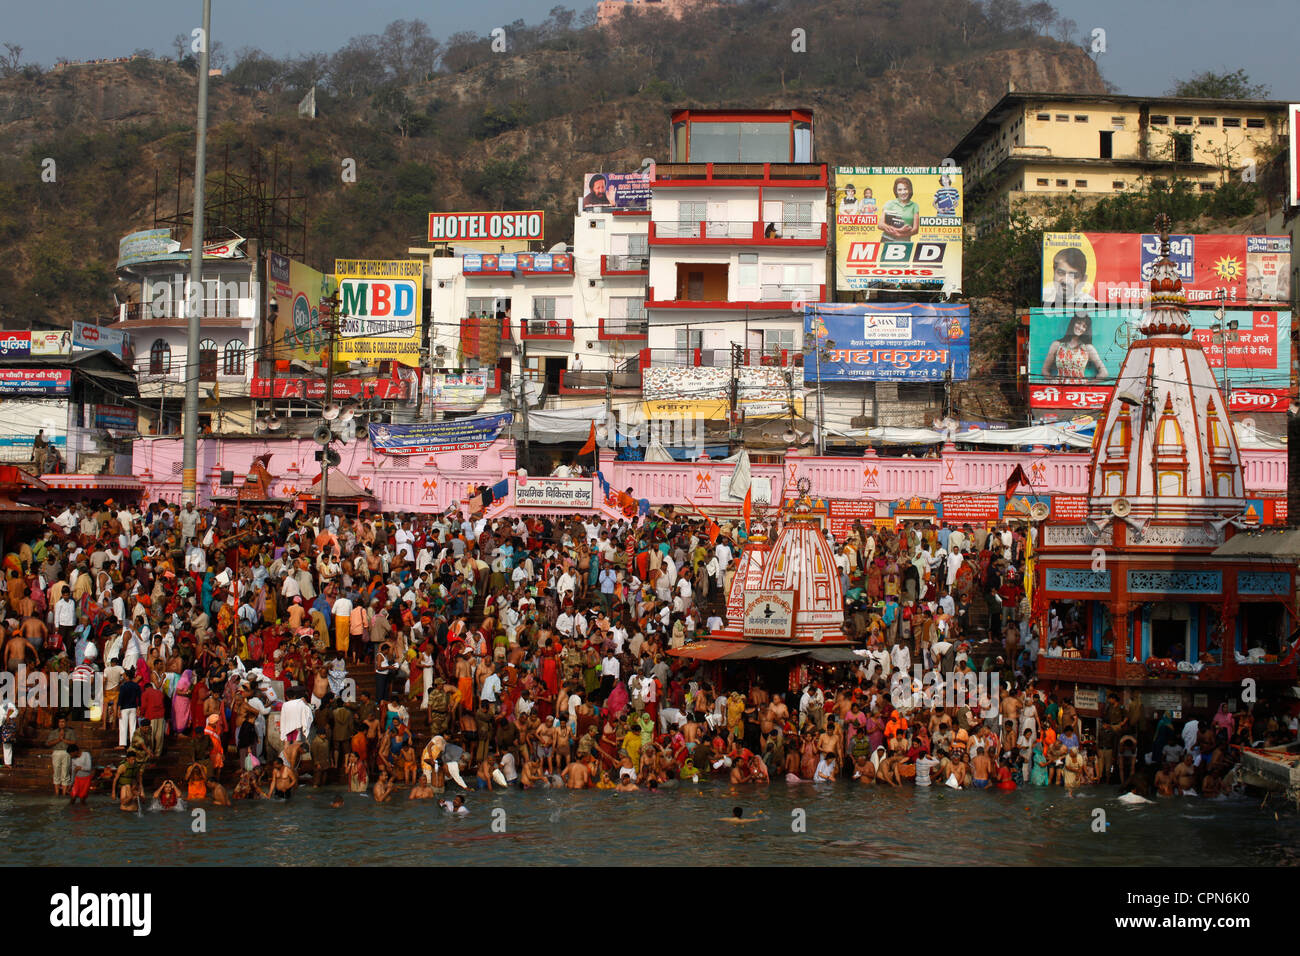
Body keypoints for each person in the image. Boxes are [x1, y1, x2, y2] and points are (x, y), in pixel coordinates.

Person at [1041, 312, 1108, 384]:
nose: (1080, 327)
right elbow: (1044, 370)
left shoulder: (1088, 348)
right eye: (1078, 323)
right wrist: (1052, 380)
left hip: (1079, 392)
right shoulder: (1057, 345)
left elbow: (1104, 373)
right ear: (1073, 323)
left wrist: (1088, 384)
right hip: (1059, 389)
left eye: (1084, 326)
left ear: (1086, 330)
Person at [880, 176, 920, 241]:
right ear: (896, 191)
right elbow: (880, 225)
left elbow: (915, 230)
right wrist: (899, 230)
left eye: (905, 189)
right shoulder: (889, 203)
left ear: (910, 190)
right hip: (887, 239)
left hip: (905, 241)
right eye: (900, 190)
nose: (903, 192)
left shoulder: (914, 206)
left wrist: (900, 235)